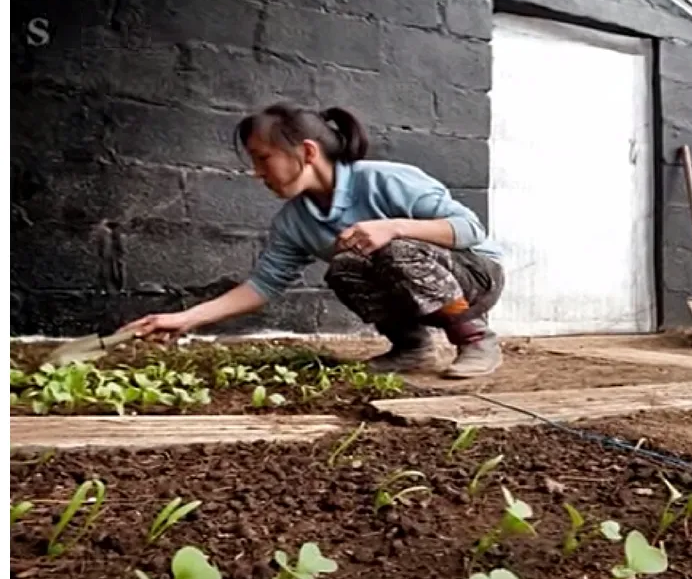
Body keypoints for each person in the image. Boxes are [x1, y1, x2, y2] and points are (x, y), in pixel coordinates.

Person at [119, 102, 506, 379]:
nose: (256, 173)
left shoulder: (384, 179)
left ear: (306, 152)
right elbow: (263, 285)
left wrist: (395, 226)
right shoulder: (294, 221)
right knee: (345, 266)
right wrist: (185, 319)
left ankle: (475, 340)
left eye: (262, 158)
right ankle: (412, 348)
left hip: (474, 277)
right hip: (416, 281)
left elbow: (470, 229)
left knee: (390, 248)